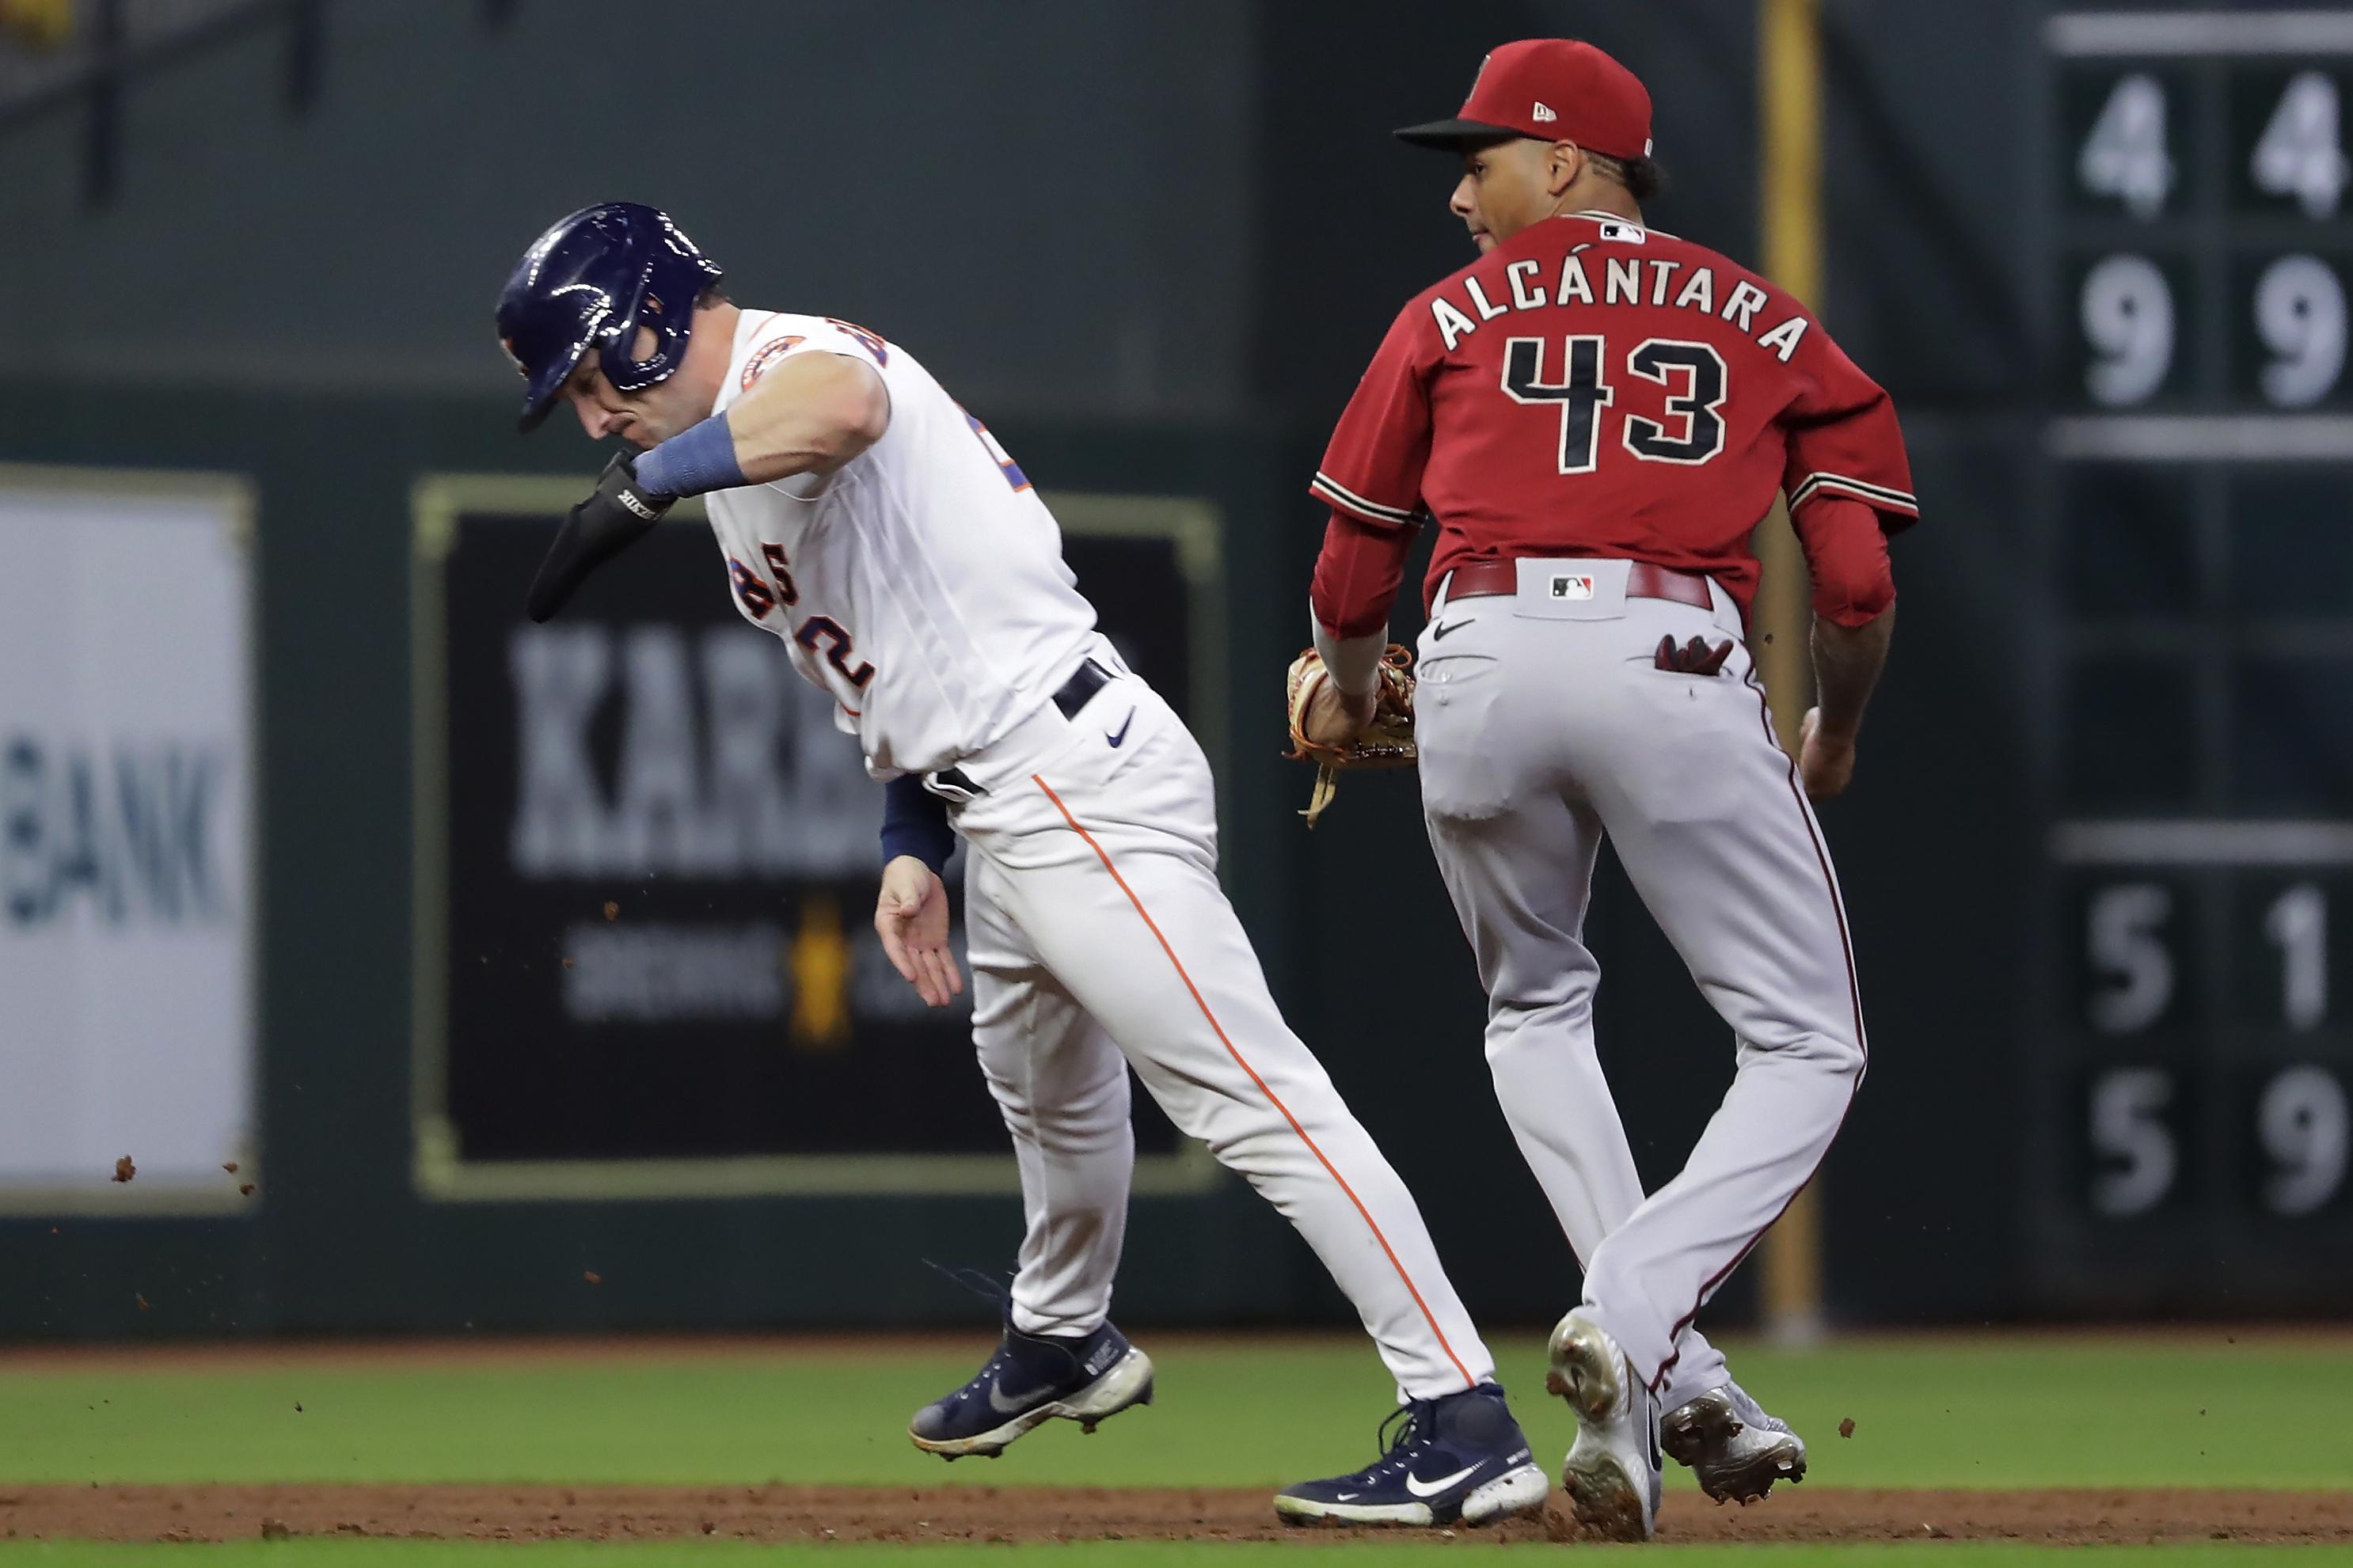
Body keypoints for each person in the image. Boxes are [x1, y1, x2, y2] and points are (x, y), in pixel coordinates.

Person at [494, 202, 1548, 1529]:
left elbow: (849, 403)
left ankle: (1465, 1415)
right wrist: (909, 844)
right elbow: (876, 654)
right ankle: (1065, 1339)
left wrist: (646, 484)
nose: (591, 419)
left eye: (591, 381)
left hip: (1071, 768)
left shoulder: (785, 365)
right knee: (1041, 1083)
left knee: (1254, 1101)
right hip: (995, 793)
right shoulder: (728, 466)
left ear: (649, 325)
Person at [1296, 40, 1916, 1541]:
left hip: (1479, 657)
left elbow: (1350, 565)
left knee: (1532, 1008)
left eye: (1481, 155)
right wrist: (1832, 723)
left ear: (1567, 159)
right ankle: (1637, 1316)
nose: (1459, 191)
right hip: (1676, 654)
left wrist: (1357, 681)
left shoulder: (1446, 314)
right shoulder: (1768, 318)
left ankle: (1655, 1390)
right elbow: (1852, 576)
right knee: (1807, 1043)